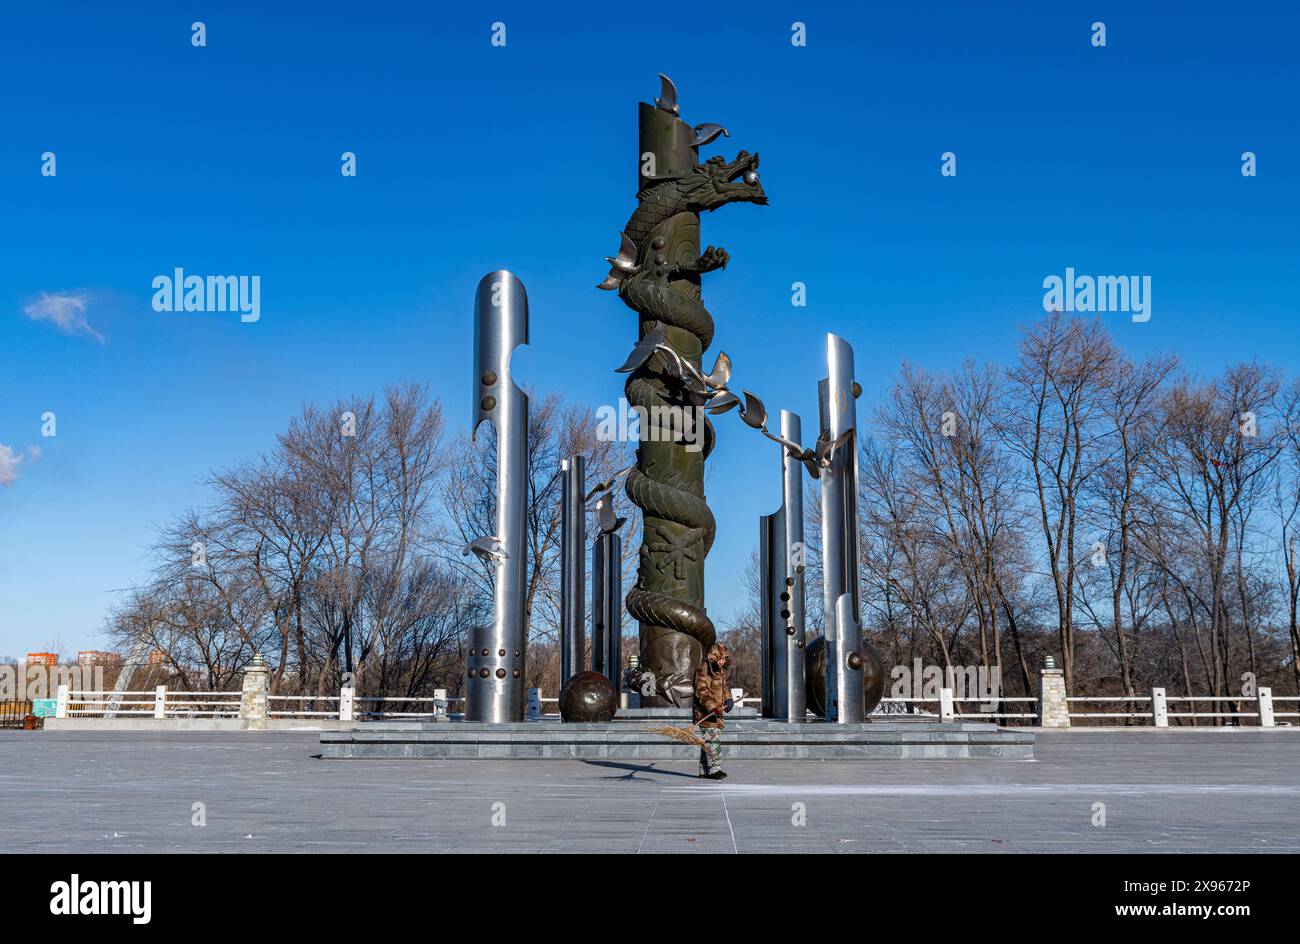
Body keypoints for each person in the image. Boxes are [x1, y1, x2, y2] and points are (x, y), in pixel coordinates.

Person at [693, 642, 734, 780]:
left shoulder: (720, 671)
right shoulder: (704, 668)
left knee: (708, 741)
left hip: (717, 712)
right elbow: (701, 691)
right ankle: (715, 769)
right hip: (706, 713)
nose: (723, 662)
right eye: (720, 659)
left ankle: (704, 770)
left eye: (724, 659)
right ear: (714, 657)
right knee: (713, 741)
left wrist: (728, 699)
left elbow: (724, 688)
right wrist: (711, 707)